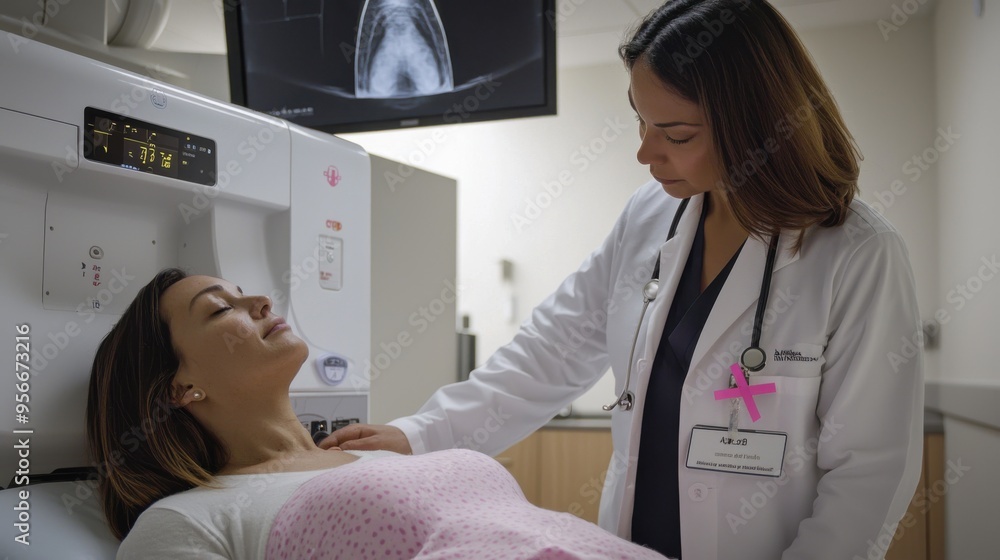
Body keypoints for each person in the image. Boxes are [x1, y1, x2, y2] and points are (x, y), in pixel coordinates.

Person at [321, 1, 925, 558]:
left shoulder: (857, 255)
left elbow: (868, 474)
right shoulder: (649, 216)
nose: (645, 153)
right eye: (641, 122)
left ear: (757, 127)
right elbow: (549, 353)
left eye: (677, 134)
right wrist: (419, 434)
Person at [86, 269, 670, 559]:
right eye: (219, 310)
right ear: (180, 388)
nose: (260, 300)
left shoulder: (374, 450)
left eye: (242, 291)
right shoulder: (187, 519)